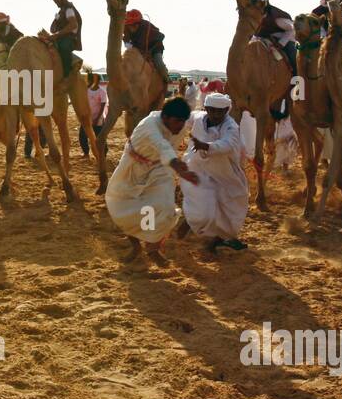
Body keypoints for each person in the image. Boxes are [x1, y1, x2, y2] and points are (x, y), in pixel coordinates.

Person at [105, 97, 198, 263]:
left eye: (183, 122)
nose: (180, 126)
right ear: (165, 117)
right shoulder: (149, 125)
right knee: (123, 208)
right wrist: (177, 167)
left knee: (164, 207)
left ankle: (152, 248)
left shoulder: (180, 124)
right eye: (177, 121)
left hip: (159, 169)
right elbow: (161, 144)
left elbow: (166, 150)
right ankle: (136, 246)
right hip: (132, 167)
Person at [178, 92, 248, 253]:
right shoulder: (197, 118)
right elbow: (180, 118)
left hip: (225, 172)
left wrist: (207, 146)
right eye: (213, 110)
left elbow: (228, 144)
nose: (216, 115)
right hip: (197, 169)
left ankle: (219, 239)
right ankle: (190, 223)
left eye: (221, 111)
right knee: (203, 207)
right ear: (206, 108)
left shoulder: (231, 126)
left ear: (226, 111)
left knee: (231, 207)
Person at [43, 0, 82, 80]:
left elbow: (73, 25)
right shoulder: (62, 10)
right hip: (61, 38)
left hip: (69, 39)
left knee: (63, 47)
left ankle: (67, 75)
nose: (55, 2)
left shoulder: (68, 9)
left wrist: (56, 35)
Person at [252, 0, 297, 73]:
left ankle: (297, 78)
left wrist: (281, 43)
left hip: (285, 39)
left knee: (293, 58)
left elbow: (292, 29)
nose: (256, 6)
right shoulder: (254, 16)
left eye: (258, 3)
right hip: (264, 39)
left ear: (265, 3)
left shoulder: (276, 15)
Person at [122, 9, 169, 85]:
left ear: (137, 24)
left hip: (155, 48)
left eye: (132, 25)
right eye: (129, 25)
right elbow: (129, 45)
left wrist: (148, 51)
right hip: (139, 50)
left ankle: (166, 79)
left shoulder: (146, 27)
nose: (130, 27)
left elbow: (161, 36)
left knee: (158, 62)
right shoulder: (127, 30)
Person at [80, 72, 109, 157]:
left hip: (98, 119)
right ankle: (86, 153)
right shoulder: (86, 91)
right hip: (87, 118)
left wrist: (97, 118)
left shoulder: (102, 92)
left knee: (99, 137)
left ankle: (104, 154)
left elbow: (103, 106)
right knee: (82, 137)